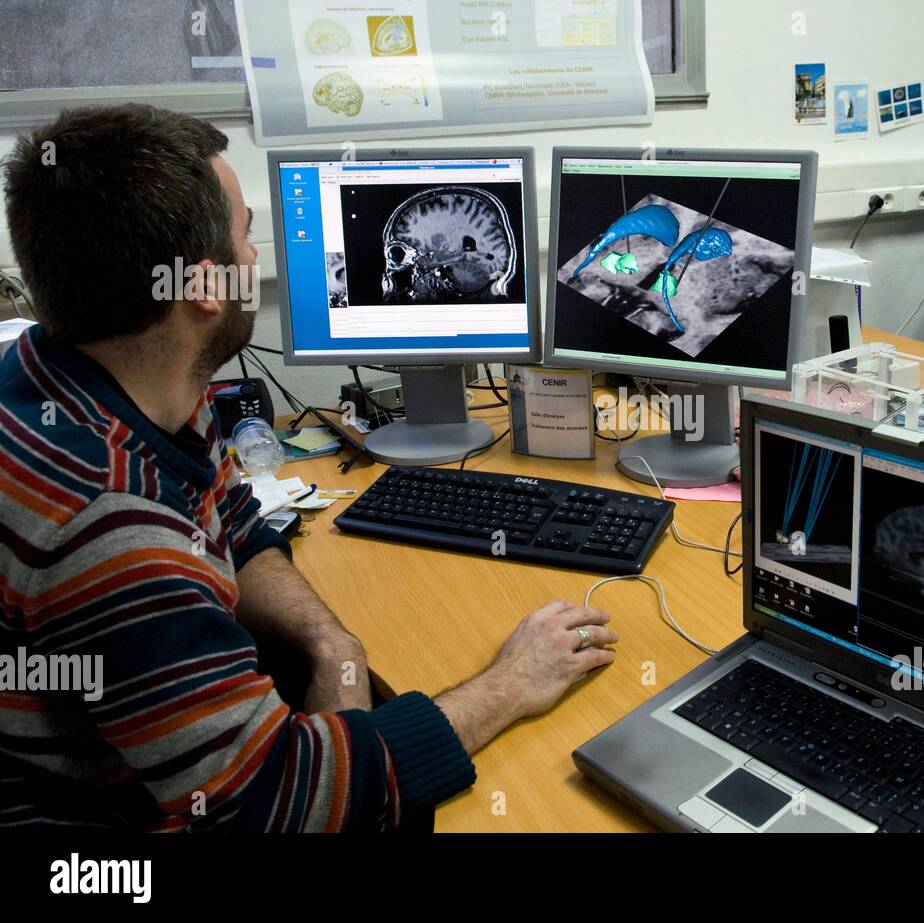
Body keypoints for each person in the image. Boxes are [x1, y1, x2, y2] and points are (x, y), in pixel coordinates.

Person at [0, 104, 617, 831]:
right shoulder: (110, 521)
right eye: (245, 236)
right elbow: (275, 803)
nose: (257, 259)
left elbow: (227, 517)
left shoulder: (64, 371)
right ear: (202, 287)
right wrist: (509, 684)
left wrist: (332, 642)